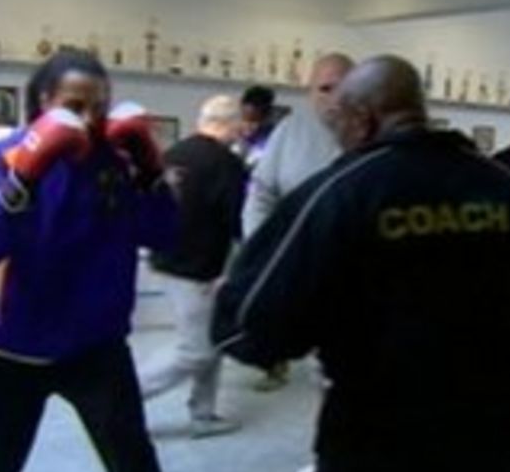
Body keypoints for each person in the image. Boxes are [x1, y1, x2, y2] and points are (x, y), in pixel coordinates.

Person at [212, 55, 510, 472]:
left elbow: (249, 326)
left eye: (338, 119)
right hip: (493, 446)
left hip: (378, 455)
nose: (335, 132)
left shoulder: (342, 191)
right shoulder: (508, 192)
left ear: (364, 118)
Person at [0, 50, 176, 472]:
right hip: (13, 341)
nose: (90, 119)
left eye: (100, 107)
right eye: (75, 106)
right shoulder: (4, 156)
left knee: (131, 456)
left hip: (95, 342)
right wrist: (25, 177)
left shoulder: (119, 160)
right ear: (46, 103)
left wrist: (149, 172)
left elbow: (163, 235)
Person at [242, 53, 354, 394]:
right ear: (310, 91)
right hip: (299, 265)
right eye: (325, 88)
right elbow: (260, 195)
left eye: (345, 88)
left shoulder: (374, 130)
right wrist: (260, 250)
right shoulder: (290, 131)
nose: (336, 98)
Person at [140, 95, 247, 438]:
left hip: (165, 260)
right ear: (228, 124)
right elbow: (237, 221)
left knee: (211, 341)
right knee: (196, 351)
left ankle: (203, 414)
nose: (242, 132)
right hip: (197, 270)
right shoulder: (226, 164)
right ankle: (126, 398)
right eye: (239, 125)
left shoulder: (171, 155)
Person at [239, 85, 277, 169]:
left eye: (253, 122)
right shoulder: (234, 135)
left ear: (267, 117)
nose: (247, 126)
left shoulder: (272, 140)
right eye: (245, 120)